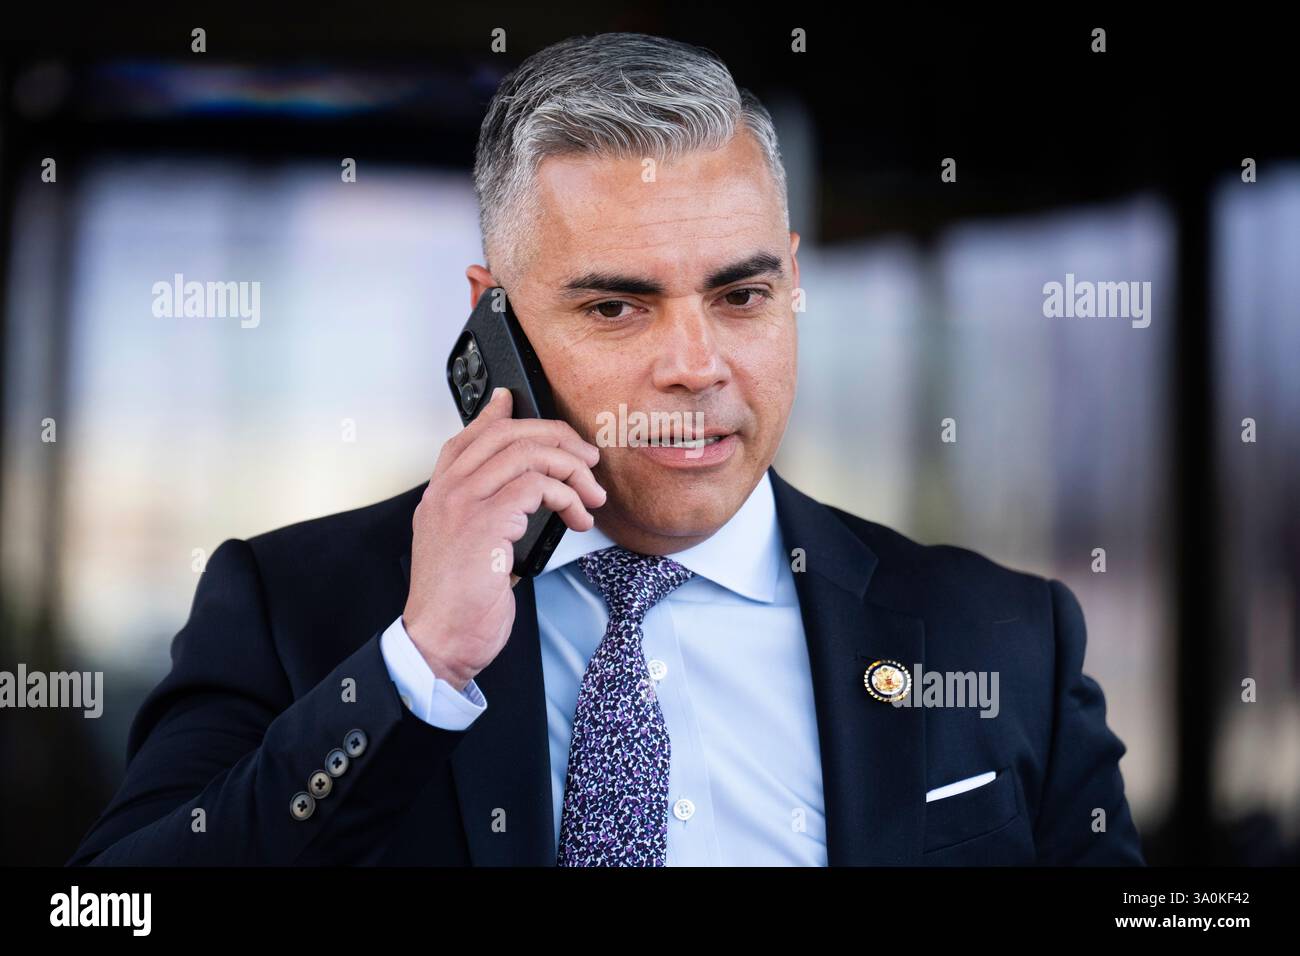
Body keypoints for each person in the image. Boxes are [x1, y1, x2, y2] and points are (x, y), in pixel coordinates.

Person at [68, 32, 1143, 867]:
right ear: (495, 322)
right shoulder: (292, 606)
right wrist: (420, 665)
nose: (695, 361)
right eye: (618, 307)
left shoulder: (1006, 643)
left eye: (742, 293)